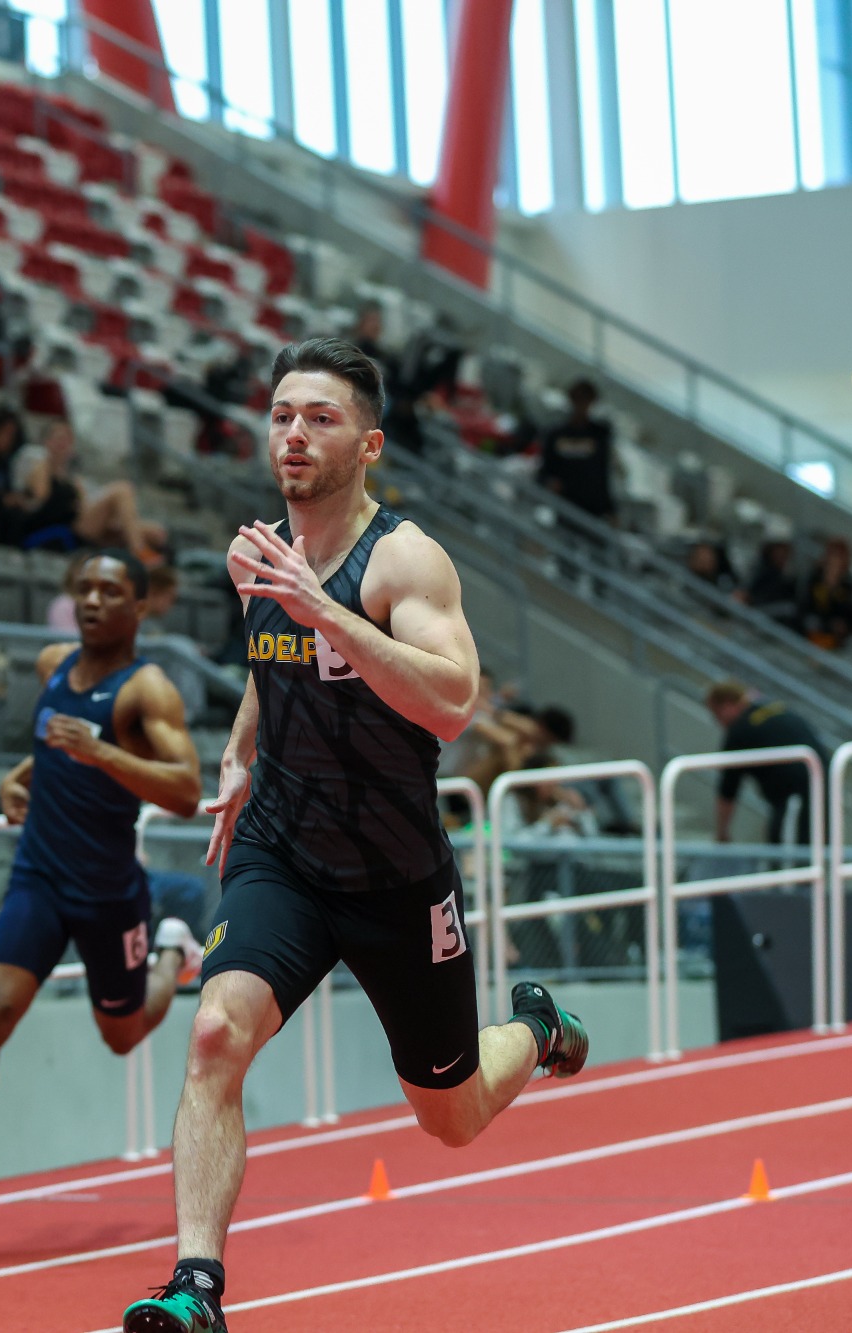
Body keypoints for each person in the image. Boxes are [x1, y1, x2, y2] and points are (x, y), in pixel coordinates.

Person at [121, 339, 587, 1333]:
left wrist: (324, 608)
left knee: (449, 1115)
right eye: (282, 413)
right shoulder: (255, 554)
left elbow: (453, 703)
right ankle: (194, 1288)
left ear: (367, 444)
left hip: (392, 873)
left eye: (319, 417)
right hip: (282, 852)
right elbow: (269, 661)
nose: (293, 432)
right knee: (212, 1033)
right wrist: (241, 753)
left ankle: (536, 1029)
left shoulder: (404, 559)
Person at [0, 552, 205, 1230]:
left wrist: (103, 753)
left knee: (121, 1034)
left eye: (110, 590)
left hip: (109, 893)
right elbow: (53, 743)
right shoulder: (53, 666)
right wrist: (20, 777)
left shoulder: (145, 690)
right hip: (38, 875)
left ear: (140, 606)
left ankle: (168, 952)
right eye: (84, 588)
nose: (93, 599)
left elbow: (185, 790)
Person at [7, 420, 168, 557]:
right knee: (122, 489)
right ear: (47, 442)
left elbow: (84, 506)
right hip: (64, 527)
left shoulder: (73, 479)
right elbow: (41, 501)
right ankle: (138, 551)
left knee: (156, 533)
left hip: (82, 522)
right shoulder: (40, 467)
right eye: (59, 439)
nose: (64, 444)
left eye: (68, 440)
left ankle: (145, 562)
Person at [705, 680, 828, 847]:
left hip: (797, 795)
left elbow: (727, 791)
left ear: (727, 705)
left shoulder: (740, 730)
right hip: (820, 787)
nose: (718, 722)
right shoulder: (771, 709)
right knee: (809, 852)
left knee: (790, 857)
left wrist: (721, 834)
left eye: (716, 714)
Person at [537, 378, 616, 522]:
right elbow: (544, 471)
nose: (582, 405)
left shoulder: (598, 435)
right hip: (565, 507)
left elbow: (602, 473)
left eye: (586, 400)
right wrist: (550, 483)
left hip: (592, 507)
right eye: (578, 400)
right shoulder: (556, 435)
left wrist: (610, 509)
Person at [798, 536, 852, 650]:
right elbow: (805, 606)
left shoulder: (849, 586)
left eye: (839, 557)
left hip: (837, 634)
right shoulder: (814, 579)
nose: (835, 561)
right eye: (833, 555)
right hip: (815, 626)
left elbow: (851, 613)